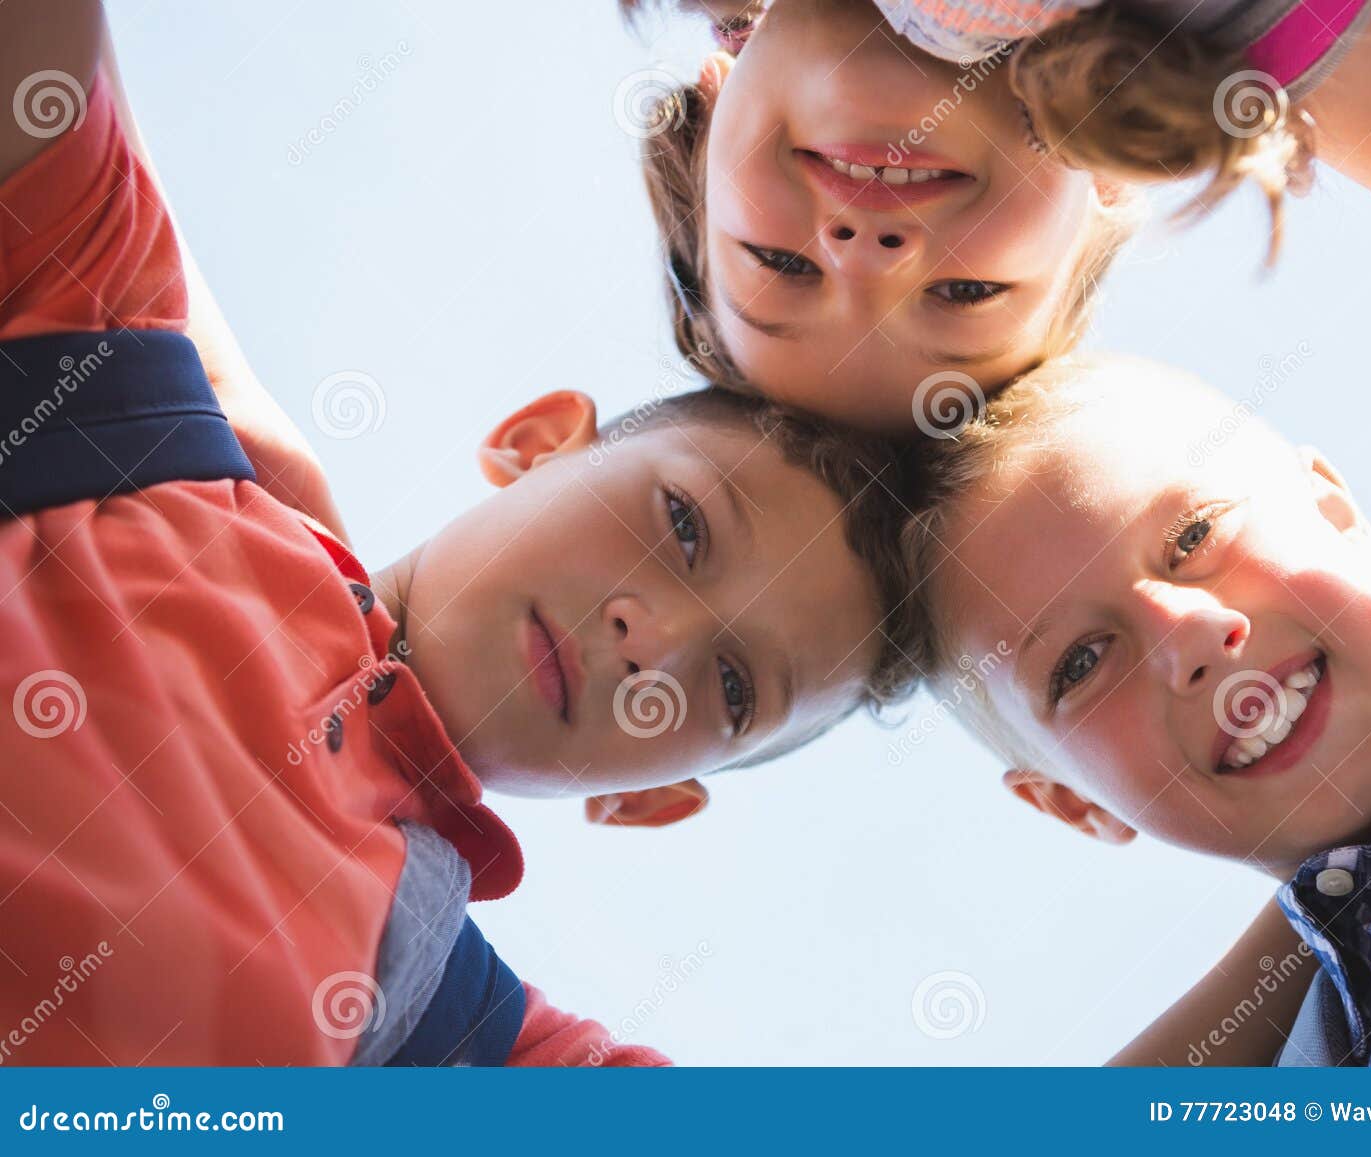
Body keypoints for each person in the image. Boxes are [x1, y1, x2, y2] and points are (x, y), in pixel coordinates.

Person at [0, 0, 927, 1065]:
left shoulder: (460, 1049)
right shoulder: (111, 386)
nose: (652, 636)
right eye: (680, 523)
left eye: (729, 686)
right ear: (538, 440)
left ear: (645, 800)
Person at [901, 353, 1371, 1064]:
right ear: (1076, 803)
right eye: (1080, 661)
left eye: (1195, 535)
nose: (1187, 634)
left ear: (1333, 511)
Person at [628, 0, 1371, 431]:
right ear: (1108, 186)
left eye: (780, 268)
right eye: (962, 295)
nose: (867, 254)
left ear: (712, 101)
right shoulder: (1280, 37)